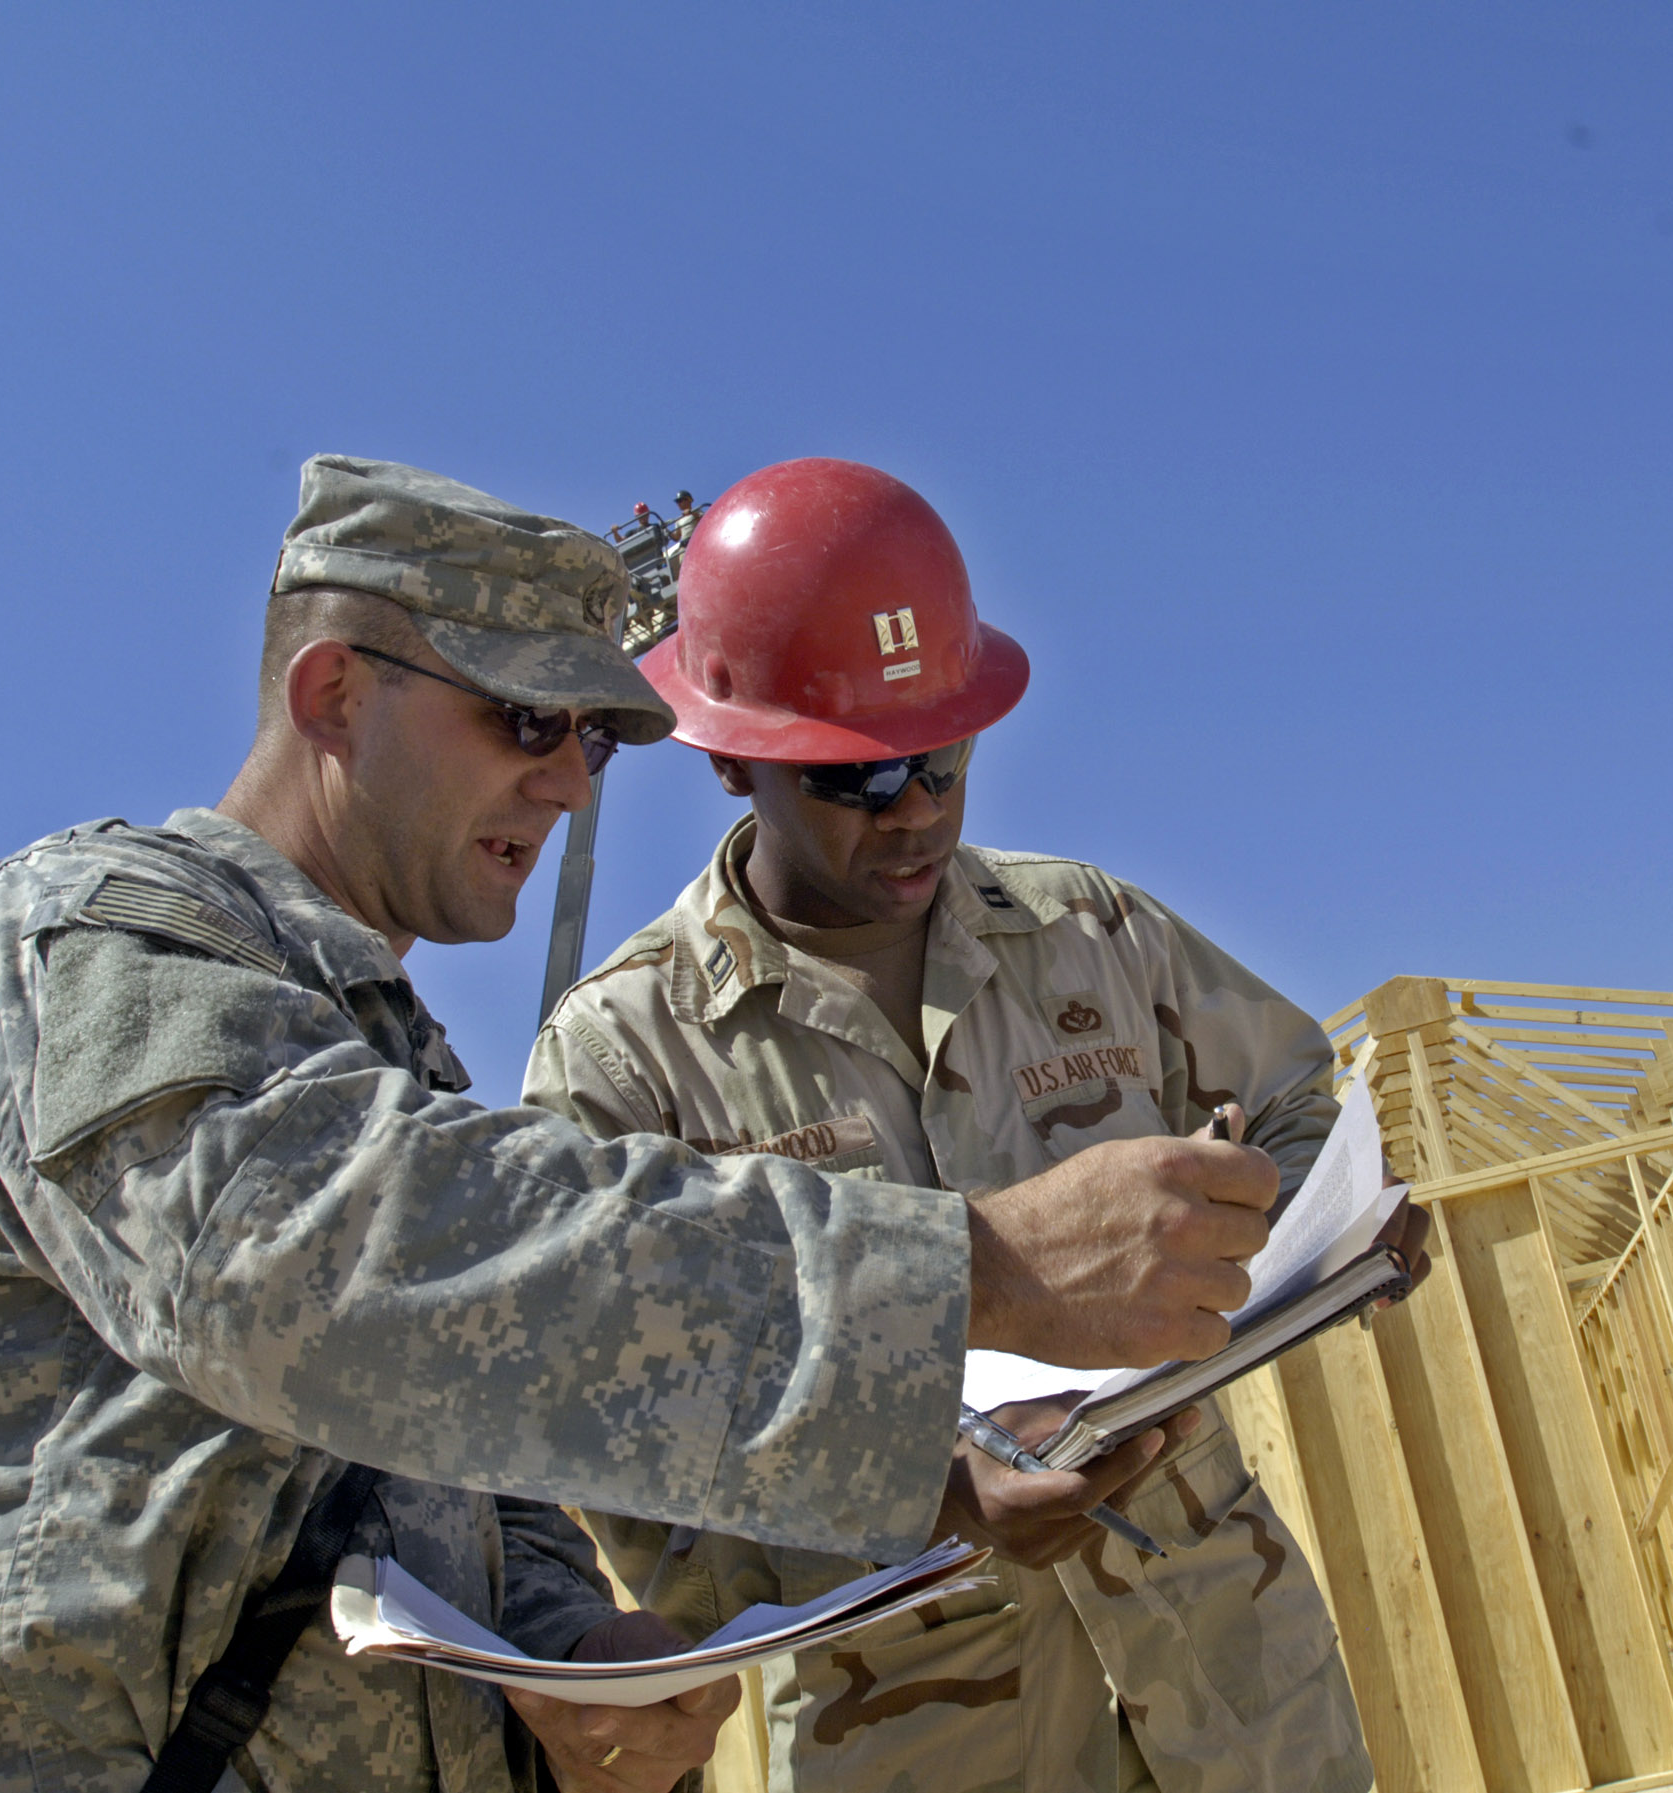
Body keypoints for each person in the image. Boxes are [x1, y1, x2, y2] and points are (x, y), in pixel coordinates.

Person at [0, 456, 1285, 1793]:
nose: (568, 783)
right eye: (527, 719)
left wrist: (567, 1645)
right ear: (334, 692)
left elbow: (453, 1465)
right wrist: (975, 1267)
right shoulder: (78, 938)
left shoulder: (393, 1074)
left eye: (597, 741)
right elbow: (300, 1265)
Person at [526, 458, 1418, 1793]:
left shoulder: (1094, 934)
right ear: (728, 757)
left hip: (1237, 1688)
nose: (920, 810)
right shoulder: (625, 1060)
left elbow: (1298, 1105)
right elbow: (606, 1416)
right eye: (860, 779)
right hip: (921, 1733)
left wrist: (1321, 1244)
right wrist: (922, 1492)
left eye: (943, 757)